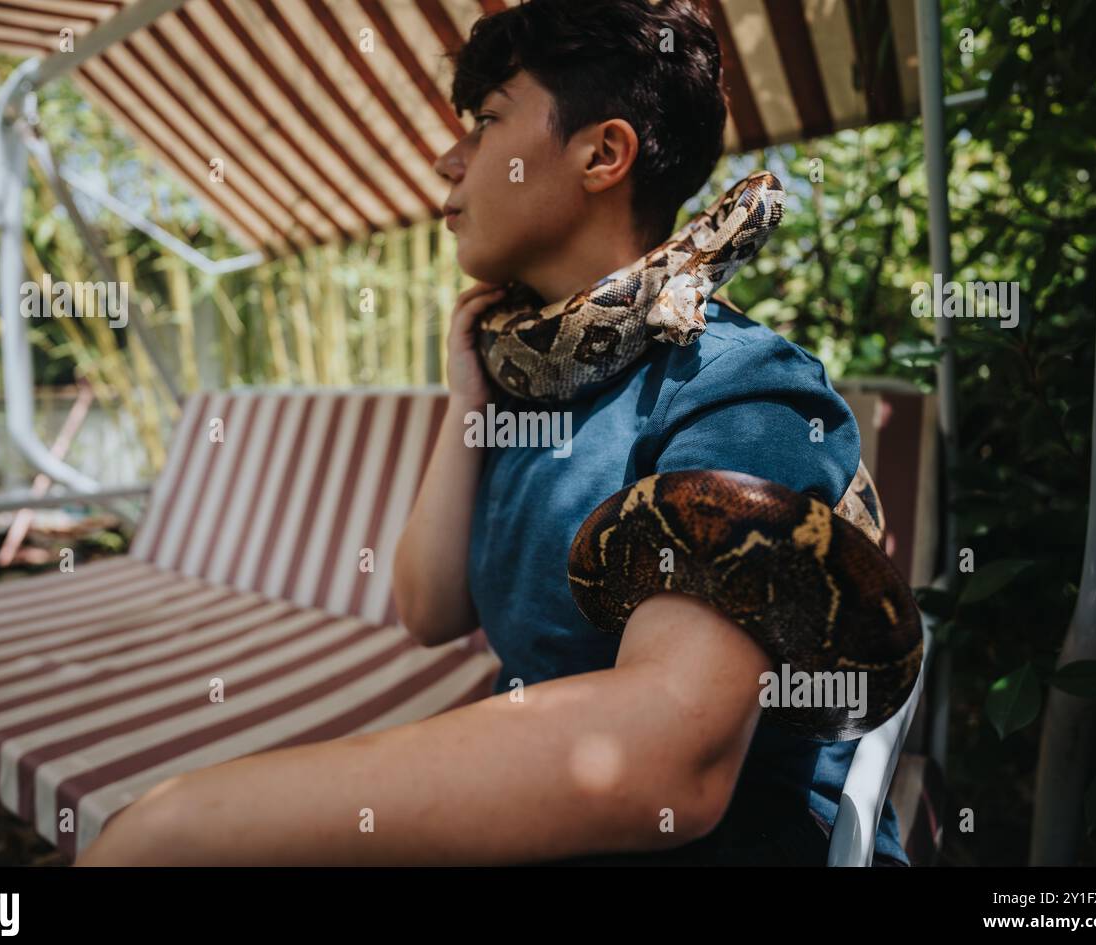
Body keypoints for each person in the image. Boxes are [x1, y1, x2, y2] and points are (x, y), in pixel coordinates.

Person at [76, 0, 908, 867]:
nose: (447, 157)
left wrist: (182, 820)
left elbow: (668, 760)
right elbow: (429, 610)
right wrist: (465, 406)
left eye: (485, 122)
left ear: (602, 154)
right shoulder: (531, 390)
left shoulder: (735, 387)